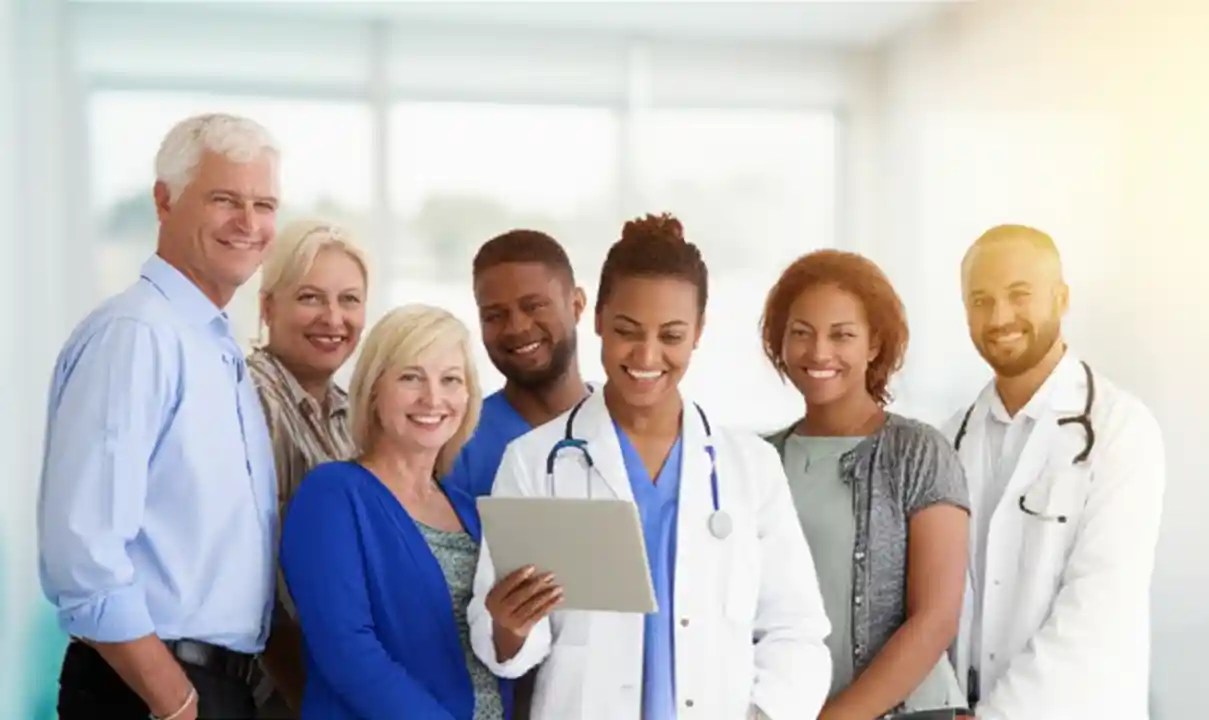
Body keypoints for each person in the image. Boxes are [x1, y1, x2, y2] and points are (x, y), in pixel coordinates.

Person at [468, 213, 832, 720]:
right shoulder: (535, 462)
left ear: (699, 332)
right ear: (595, 318)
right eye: (627, 330)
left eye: (672, 335)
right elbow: (503, 648)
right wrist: (508, 625)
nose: (646, 354)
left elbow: (796, 631)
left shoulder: (750, 467)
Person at [37, 112, 280, 719]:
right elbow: (83, 552)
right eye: (225, 199)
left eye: (264, 203)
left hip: (212, 687)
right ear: (164, 201)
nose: (248, 223)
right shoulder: (139, 335)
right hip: (151, 692)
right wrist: (175, 702)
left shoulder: (212, 344)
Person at [944, 224, 1166, 719]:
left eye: (1018, 295)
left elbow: (1097, 606)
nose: (999, 317)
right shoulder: (947, 440)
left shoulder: (1119, 430)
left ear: (1061, 299)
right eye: (980, 301)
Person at [759, 250, 970, 719]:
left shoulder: (918, 451)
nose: (819, 353)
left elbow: (936, 619)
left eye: (842, 335)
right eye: (801, 333)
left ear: (874, 344)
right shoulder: (758, 460)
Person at [279, 304, 512, 719]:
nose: (433, 398)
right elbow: (348, 652)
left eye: (451, 380)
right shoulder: (333, 495)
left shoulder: (470, 511)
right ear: (373, 390)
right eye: (410, 377)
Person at [247, 218, 369, 716]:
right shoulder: (250, 398)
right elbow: (254, 575)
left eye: (350, 300)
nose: (333, 318)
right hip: (268, 687)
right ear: (268, 307)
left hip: (329, 680)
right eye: (311, 298)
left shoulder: (351, 416)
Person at [446, 229, 591, 499]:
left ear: (577, 305)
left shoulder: (625, 422)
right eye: (494, 315)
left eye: (534, 306)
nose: (516, 328)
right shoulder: (457, 442)